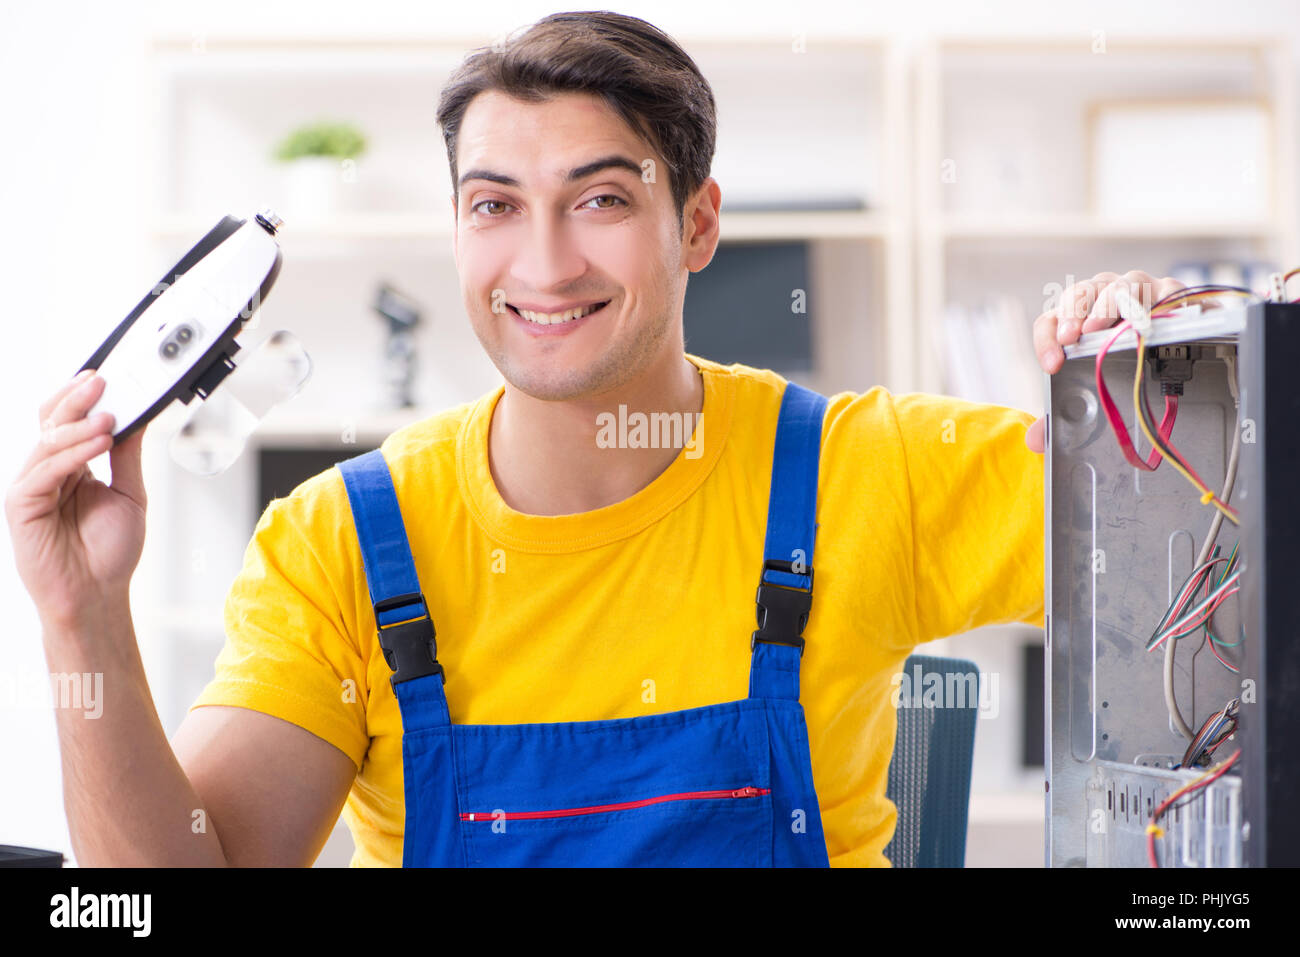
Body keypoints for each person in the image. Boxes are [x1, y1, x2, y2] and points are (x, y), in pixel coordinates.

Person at [5, 11, 1185, 867]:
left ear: (698, 221)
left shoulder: (858, 471)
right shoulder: (341, 545)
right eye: (495, 205)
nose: (546, 262)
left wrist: (1184, 364)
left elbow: (1211, 542)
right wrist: (82, 614)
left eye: (603, 198)